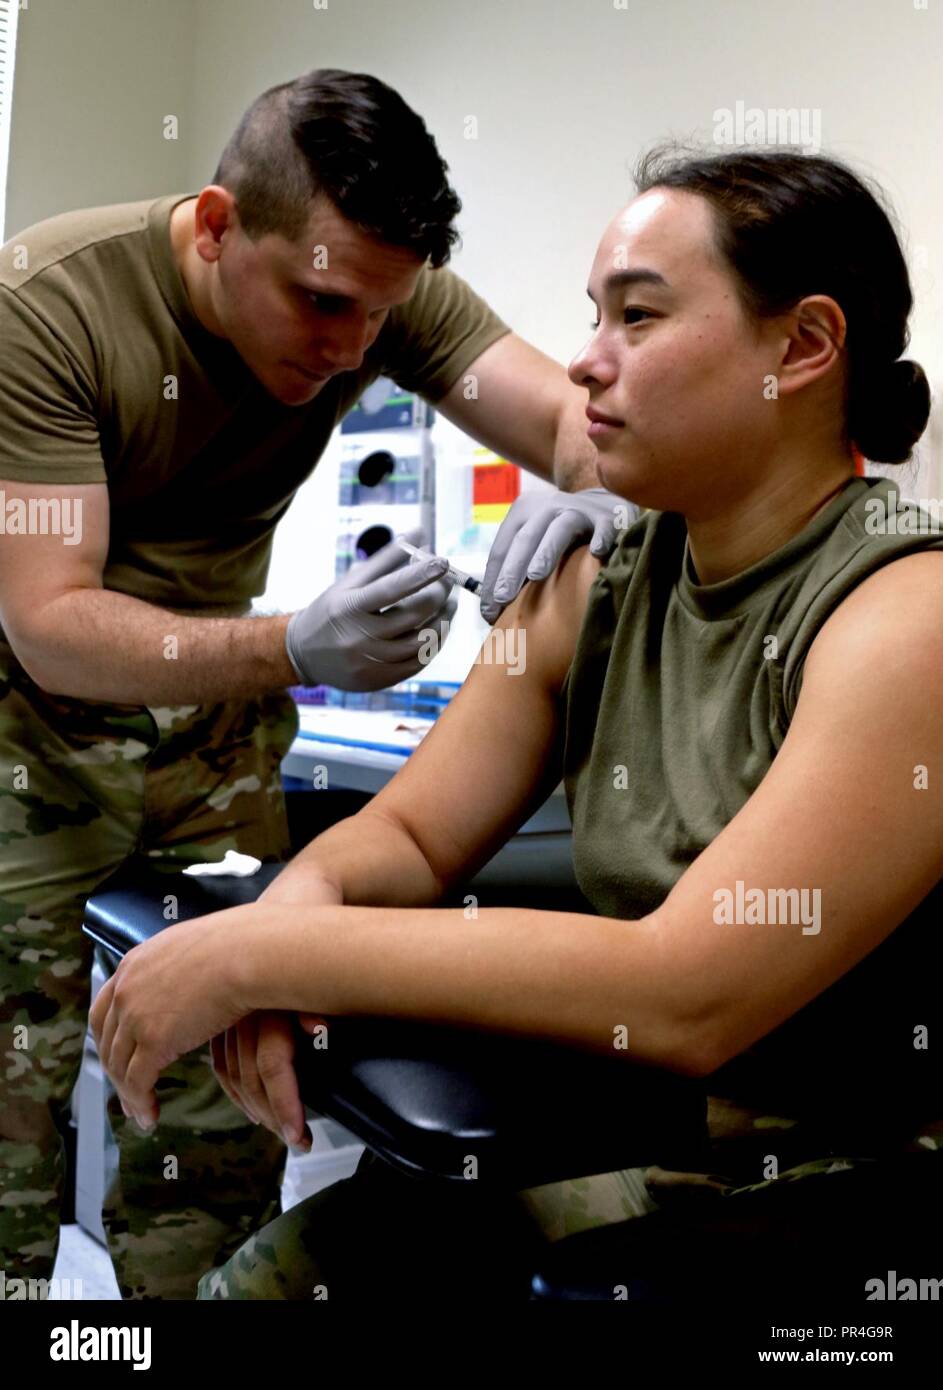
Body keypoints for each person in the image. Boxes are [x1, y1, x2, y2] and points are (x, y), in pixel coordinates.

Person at [90, 143, 943, 1303]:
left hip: (827, 1192)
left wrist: (257, 951)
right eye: (592, 317)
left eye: (635, 318)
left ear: (798, 348)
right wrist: (288, 929)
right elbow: (406, 841)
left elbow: (679, 992)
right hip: (631, 1142)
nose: (583, 366)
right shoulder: (591, 580)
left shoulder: (902, 617)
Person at [0, 68, 636, 1300]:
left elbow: (569, 422)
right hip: (31, 736)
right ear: (219, 222)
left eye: (378, 316)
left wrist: (590, 470)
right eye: (322, 303)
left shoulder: (380, 292)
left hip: (216, 749)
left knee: (224, 1113)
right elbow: (48, 624)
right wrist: (295, 645)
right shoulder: (50, 308)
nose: (353, 351)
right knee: (12, 1117)